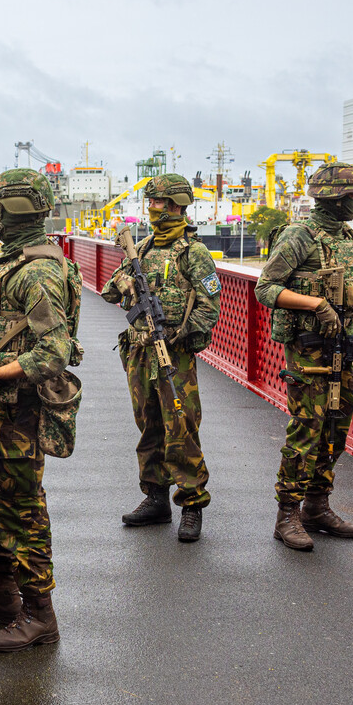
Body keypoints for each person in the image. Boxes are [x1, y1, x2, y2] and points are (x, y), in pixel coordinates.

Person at [0, 168, 84, 652]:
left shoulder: (38, 272)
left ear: (16, 210)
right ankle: (3, 595)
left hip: (24, 412)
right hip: (3, 409)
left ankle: (40, 615)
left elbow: (53, 353)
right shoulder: (14, 265)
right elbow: (6, 334)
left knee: (23, 509)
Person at [253, 162, 353, 550]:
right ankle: (287, 514)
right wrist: (315, 304)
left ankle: (317, 506)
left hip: (344, 351)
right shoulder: (299, 236)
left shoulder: (349, 240)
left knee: (335, 432)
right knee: (306, 431)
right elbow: (266, 288)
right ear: (333, 197)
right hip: (309, 351)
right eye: (352, 196)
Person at [101, 174, 221, 541]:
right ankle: (155, 497)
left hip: (175, 357)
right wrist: (125, 284)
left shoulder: (194, 253)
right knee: (148, 424)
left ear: (177, 206)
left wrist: (176, 334)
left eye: (159, 203)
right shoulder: (145, 248)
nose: (152, 209)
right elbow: (109, 290)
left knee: (181, 427)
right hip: (139, 351)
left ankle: (191, 504)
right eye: (150, 202)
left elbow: (210, 306)